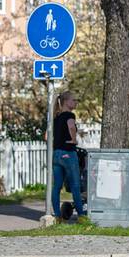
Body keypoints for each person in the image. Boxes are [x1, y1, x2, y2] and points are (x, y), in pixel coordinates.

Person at [50, 90, 85, 220]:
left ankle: (58, 216)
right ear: (66, 101)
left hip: (56, 154)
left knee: (57, 186)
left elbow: (47, 135)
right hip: (68, 153)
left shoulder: (56, 117)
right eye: (73, 100)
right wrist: (74, 139)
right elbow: (71, 126)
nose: (75, 102)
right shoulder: (70, 115)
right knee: (75, 185)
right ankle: (81, 215)